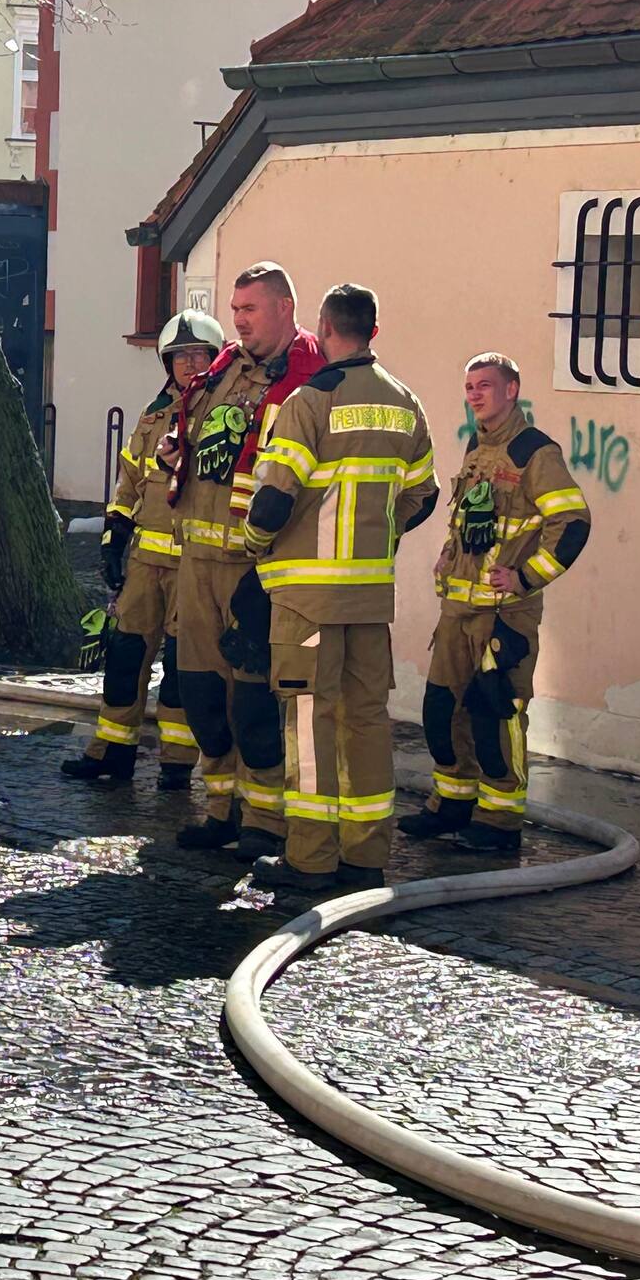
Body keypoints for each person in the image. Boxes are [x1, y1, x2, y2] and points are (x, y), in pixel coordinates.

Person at [232, 283, 438, 893]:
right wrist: (380, 537)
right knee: (368, 720)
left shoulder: (309, 400)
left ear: (323, 328)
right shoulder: (405, 403)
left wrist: (252, 546)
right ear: (373, 331)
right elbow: (423, 494)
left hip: (306, 599)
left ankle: (311, 857)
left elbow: (272, 500)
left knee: (310, 723)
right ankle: (367, 854)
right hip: (370, 596)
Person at [399, 352, 590, 853]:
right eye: (469, 387)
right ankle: (452, 804)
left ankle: (500, 821)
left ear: (512, 389)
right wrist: (447, 554)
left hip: (503, 619)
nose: (475, 394)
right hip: (457, 613)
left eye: (485, 385)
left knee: (495, 718)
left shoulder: (534, 451)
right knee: (442, 712)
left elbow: (571, 523)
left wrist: (525, 577)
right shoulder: (477, 447)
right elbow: (473, 520)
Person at [166, 263, 325, 856]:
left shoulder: (312, 376)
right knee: (202, 694)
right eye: (235, 310)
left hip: (254, 567)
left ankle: (264, 821)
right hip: (196, 560)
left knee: (255, 701)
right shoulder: (225, 368)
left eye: (249, 309)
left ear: (285, 307)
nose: (238, 320)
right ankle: (219, 808)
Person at [62, 308, 224, 787]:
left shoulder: (223, 417)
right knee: (125, 655)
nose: (190, 365)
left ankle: (176, 763)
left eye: (199, 355)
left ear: (214, 360)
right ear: (166, 363)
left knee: (180, 668)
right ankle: (113, 750)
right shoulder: (154, 416)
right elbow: (129, 480)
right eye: (180, 357)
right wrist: (114, 535)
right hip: (144, 565)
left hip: (193, 566)